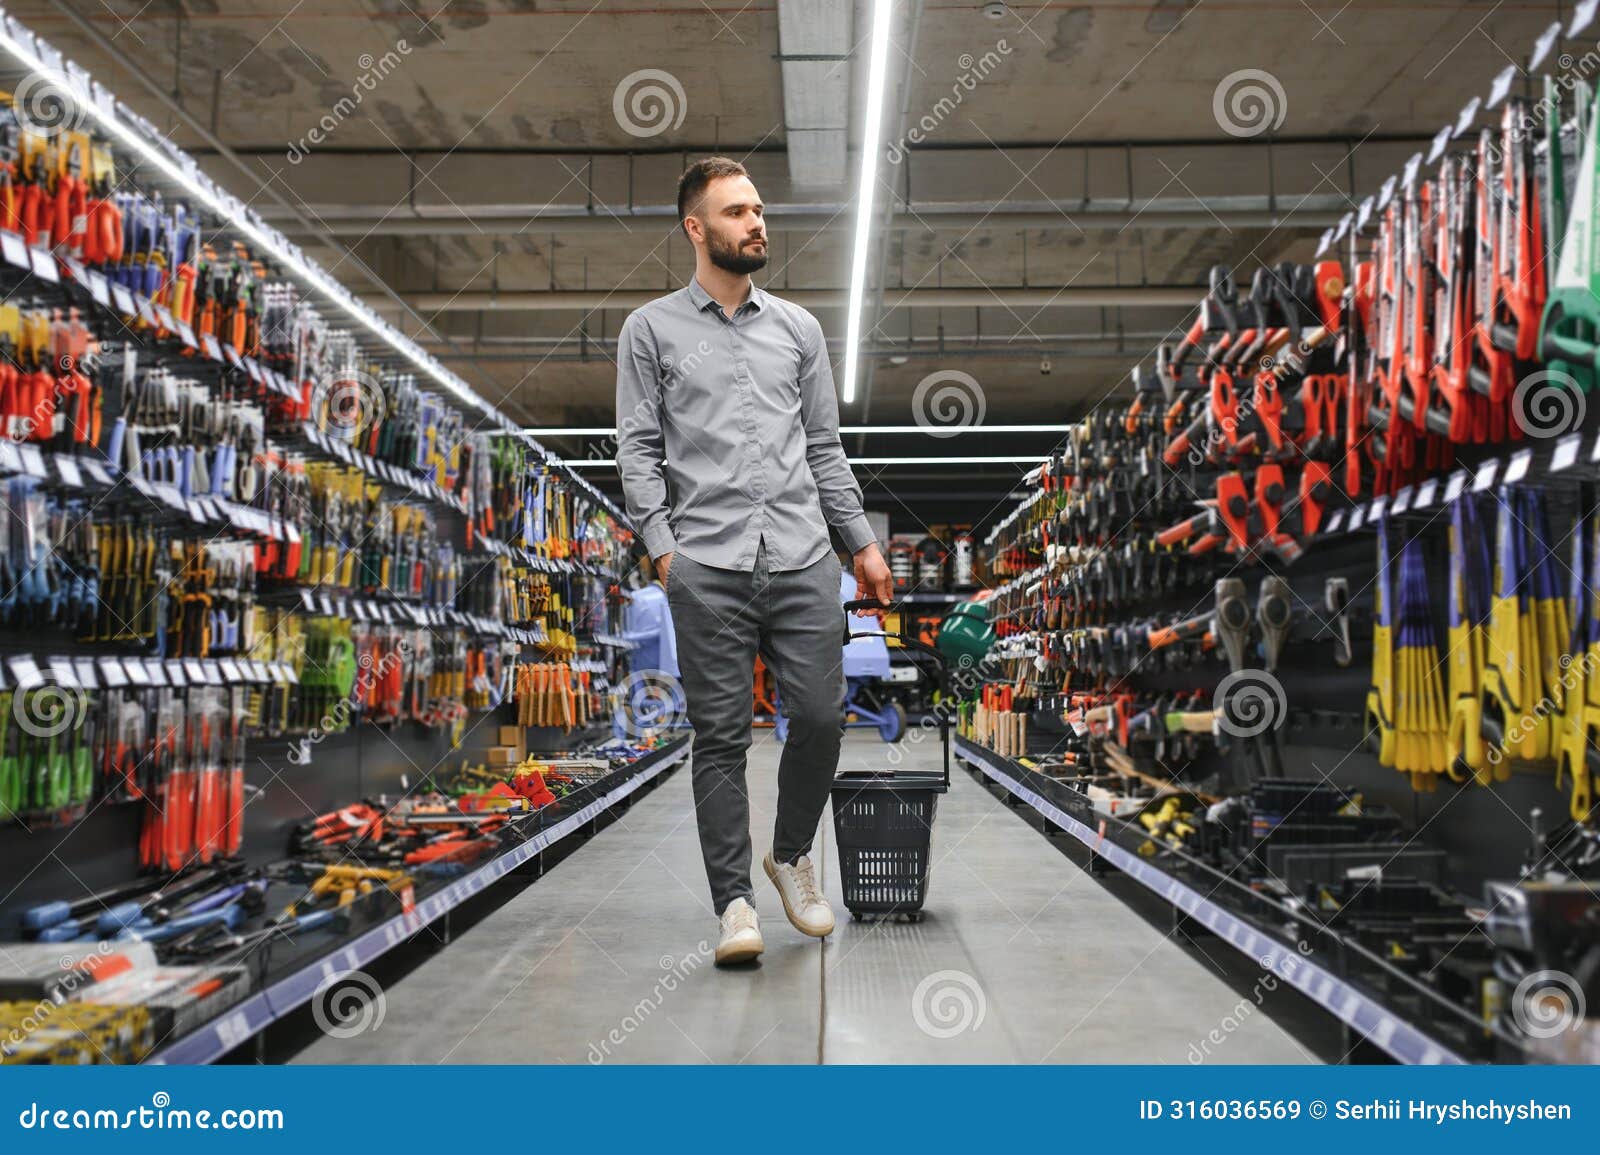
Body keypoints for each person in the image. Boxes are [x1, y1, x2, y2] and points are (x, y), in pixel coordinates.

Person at [615, 156, 893, 965]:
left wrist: (864, 546)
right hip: (708, 560)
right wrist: (663, 551)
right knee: (721, 736)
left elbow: (823, 448)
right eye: (737, 212)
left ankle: (793, 855)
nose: (757, 224)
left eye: (760, 210)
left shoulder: (798, 330)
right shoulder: (653, 330)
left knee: (815, 716)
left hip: (805, 554)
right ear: (696, 228)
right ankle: (735, 903)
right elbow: (637, 449)